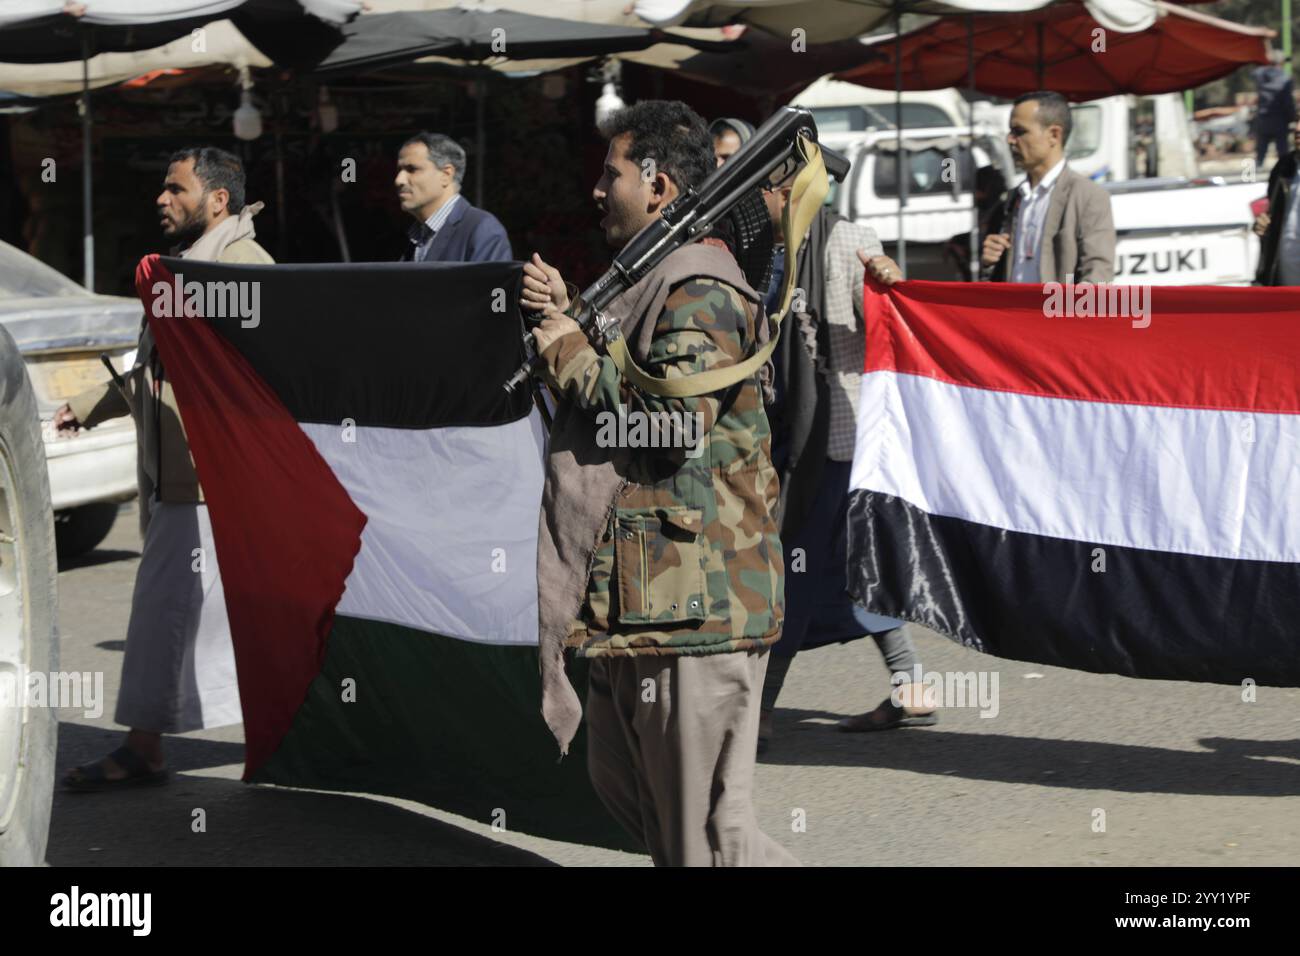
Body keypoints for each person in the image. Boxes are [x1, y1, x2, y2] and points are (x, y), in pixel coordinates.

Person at [521, 100, 797, 866]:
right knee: (644, 803)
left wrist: (571, 352)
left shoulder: (701, 286)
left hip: (696, 606)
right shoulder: (649, 281)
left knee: (704, 837)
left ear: (661, 185)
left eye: (612, 173)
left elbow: (670, 425)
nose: (598, 189)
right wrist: (567, 319)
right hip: (645, 603)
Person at [58, 146, 274, 790]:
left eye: (175, 188)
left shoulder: (242, 265)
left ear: (217, 200)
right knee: (201, 616)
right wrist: (89, 407)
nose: (161, 198)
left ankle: (143, 747)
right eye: (162, 187)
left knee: (166, 614)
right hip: (178, 472)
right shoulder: (184, 267)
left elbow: (271, 368)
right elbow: (153, 365)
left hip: (210, 479)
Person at [756, 174, 936, 752]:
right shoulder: (777, 245)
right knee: (847, 566)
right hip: (799, 434)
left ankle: (756, 709)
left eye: (764, 186)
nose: (755, 198)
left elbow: (883, 307)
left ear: (790, 189)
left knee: (795, 567)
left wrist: (884, 279)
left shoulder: (842, 238)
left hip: (838, 439)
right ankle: (910, 686)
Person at [982, 91, 1115, 284]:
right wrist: (989, 262)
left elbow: (1098, 276)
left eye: (1019, 132)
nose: (1010, 140)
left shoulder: (1088, 196)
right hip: (1015, 313)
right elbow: (995, 280)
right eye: (1010, 132)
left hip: (1059, 313)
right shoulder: (1011, 200)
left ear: (1054, 135)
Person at [395, 132, 512, 262]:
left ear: (446, 174)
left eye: (412, 169)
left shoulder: (482, 229)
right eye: (399, 170)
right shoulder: (416, 236)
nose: (399, 180)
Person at [1253, 122, 1300, 285]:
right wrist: (1263, 226)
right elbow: (1274, 218)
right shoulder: (1284, 167)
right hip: (1285, 283)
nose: (1298, 129)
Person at [1253, 49, 1295, 169]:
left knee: (1260, 153)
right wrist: (1292, 117)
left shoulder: (1261, 75)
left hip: (1262, 119)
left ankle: (1252, 179)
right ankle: (1284, 179)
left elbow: (1256, 72)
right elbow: (1288, 102)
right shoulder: (1285, 78)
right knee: (1283, 154)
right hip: (1280, 121)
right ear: (1281, 63)